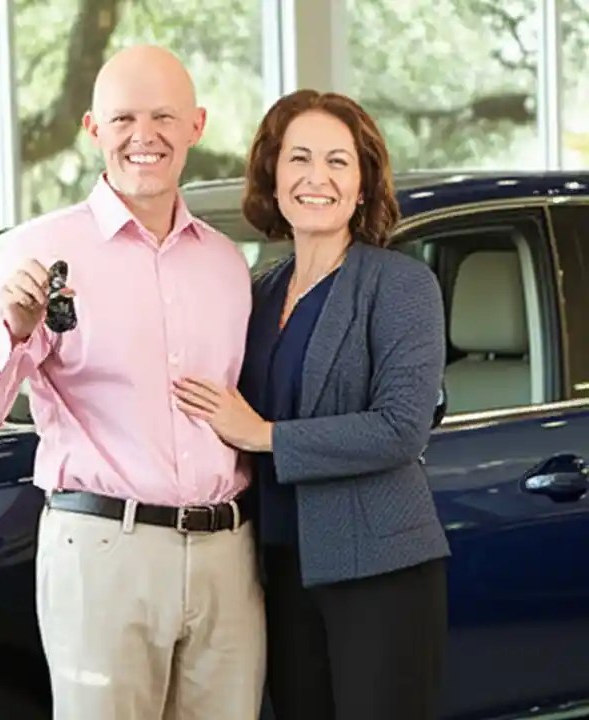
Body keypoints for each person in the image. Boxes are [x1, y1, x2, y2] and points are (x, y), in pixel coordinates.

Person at [0, 44, 264, 719]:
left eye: (165, 116)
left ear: (196, 125)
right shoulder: (41, 251)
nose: (146, 137)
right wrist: (14, 330)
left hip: (229, 556)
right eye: (124, 119)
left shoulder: (228, 265)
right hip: (107, 555)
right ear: (92, 130)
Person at [173, 89, 450, 720]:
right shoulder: (260, 293)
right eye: (298, 159)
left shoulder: (401, 285)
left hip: (379, 571)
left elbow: (402, 427)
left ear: (362, 184)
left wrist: (266, 435)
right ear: (273, 177)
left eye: (337, 162)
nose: (315, 178)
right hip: (279, 566)